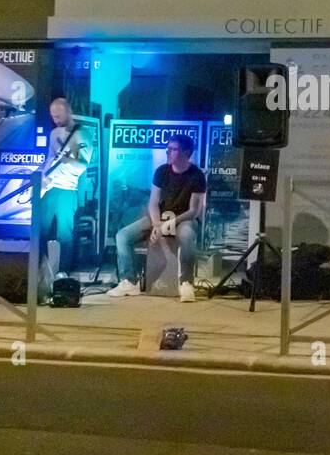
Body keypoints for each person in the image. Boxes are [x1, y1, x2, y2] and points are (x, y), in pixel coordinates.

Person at [109, 134, 207, 303]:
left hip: (183, 219)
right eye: (167, 148)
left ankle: (186, 284)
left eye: (173, 149)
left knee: (187, 236)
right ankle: (129, 281)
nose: (167, 152)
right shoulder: (162, 171)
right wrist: (157, 224)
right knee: (123, 236)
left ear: (186, 152)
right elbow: (153, 202)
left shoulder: (196, 175)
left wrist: (169, 224)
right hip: (160, 218)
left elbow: (193, 211)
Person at [39, 97, 90, 284]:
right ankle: (41, 269)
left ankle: (64, 272)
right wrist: (43, 178)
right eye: (53, 116)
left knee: (64, 233)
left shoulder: (81, 134)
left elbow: (84, 165)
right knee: (40, 230)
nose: (56, 119)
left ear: (68, 111)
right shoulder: (54, 133)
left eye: (59, 116)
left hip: (67, 189)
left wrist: (67, 159)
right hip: (50, 187)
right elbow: (50, 158)